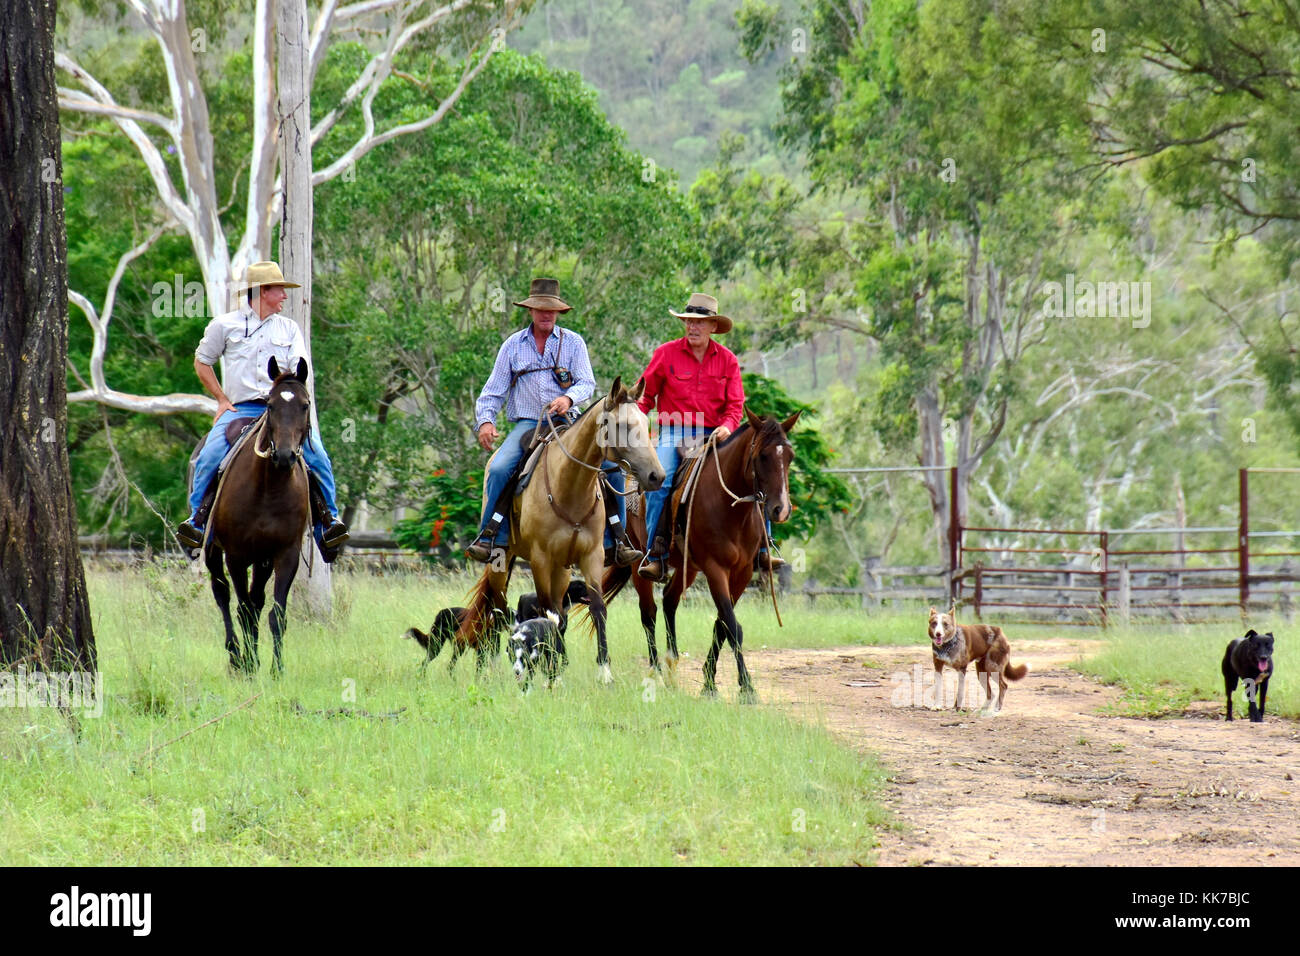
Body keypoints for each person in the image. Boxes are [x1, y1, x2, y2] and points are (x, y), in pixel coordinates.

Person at [175, 261, 349, 558]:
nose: (284, 296)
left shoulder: (289, 329)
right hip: (240, 409)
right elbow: (202, 361)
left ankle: (328, 525)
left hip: (281, 412)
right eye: (279, 290)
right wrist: (220, 398)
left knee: (318, 456)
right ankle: (197, 522)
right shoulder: (224, 325)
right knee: (209, 456)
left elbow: (299, 373)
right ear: (263, 291)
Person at [466, 277, 642, 567]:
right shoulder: (512, 346)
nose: (546, 314)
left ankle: (617, 540)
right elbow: (492, 392)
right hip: (527, 424)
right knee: (499, 468)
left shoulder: (573, 343)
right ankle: (490, 537)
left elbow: (587, 382)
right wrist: (485, 422)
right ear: (531, 310)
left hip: (568, 422)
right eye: (540, 308)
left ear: (558, 312)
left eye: (551, 309)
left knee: (611, 468)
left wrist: (569, 399)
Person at [636, 292, 784, 581]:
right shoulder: (665, 354)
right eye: (689, 321)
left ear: (713, 327)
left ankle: (764, 546)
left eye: (700, 323)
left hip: (715, 433)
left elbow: (735, 403)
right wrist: (639, 419)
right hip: (674, 430)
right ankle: (656, 554)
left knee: (755, 471)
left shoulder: (727, 361)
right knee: (659, 482)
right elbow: (646, 396)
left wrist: (729, 425)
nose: (693, 327)